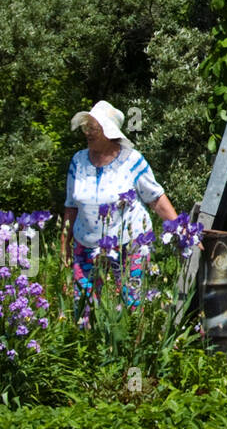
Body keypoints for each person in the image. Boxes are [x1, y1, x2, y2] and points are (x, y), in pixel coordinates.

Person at [62, 100, 177, 311]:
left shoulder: (132, 161)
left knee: (131, 305)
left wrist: (181, 229)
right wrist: (64, 244)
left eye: (93, 128)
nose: (87, 132)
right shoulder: (77, 161)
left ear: (108, 131)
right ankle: (90, 341)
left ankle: (130, 344)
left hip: (128, 244)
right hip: (85, 244)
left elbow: (156, 199)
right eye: (86, 127)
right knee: (83, 307)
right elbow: (71, 205)